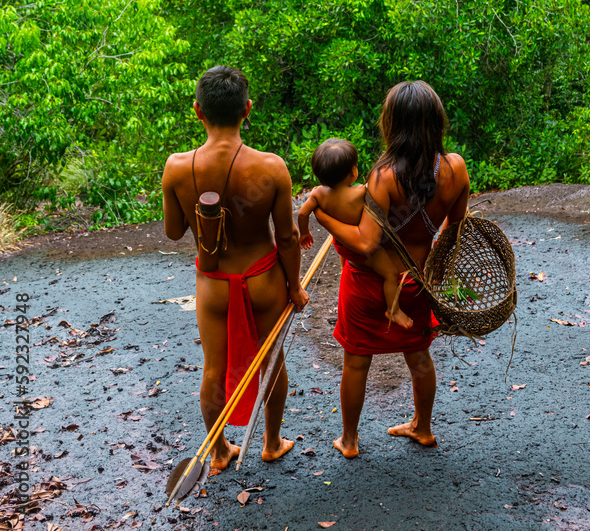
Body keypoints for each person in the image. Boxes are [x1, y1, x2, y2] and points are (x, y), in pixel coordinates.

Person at [162, 65, 309, 474]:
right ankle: (272, 441)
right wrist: (294, 286)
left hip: (213, 284)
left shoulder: (176, 167)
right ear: (248, 109)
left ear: (197, 111)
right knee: (272, 361)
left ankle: (222, 450)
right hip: (264, 279)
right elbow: (288, 237)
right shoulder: (273, 167)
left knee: (213, 368)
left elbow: (174, 233)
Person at [313, 80, 470, 459]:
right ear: (436, 121)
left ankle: (349, 441)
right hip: (417, 281)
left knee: (356, 359)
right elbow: (455, 229)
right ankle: (423, 427)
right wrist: (437, 271)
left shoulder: (382, 177)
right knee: (418, 355)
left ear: (392, 124)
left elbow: (366, 242)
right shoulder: (456, 169)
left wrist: (321, 216)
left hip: (370, 283)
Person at [298, 138, 414, 329]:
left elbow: (302, 212)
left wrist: (304, 233)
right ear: (353, 172)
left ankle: (348, 272)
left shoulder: (318, 193)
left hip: (342, 245)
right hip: (365, 251)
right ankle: (392, 311)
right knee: (391, 274)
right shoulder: (361, 192)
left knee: (348, 260)